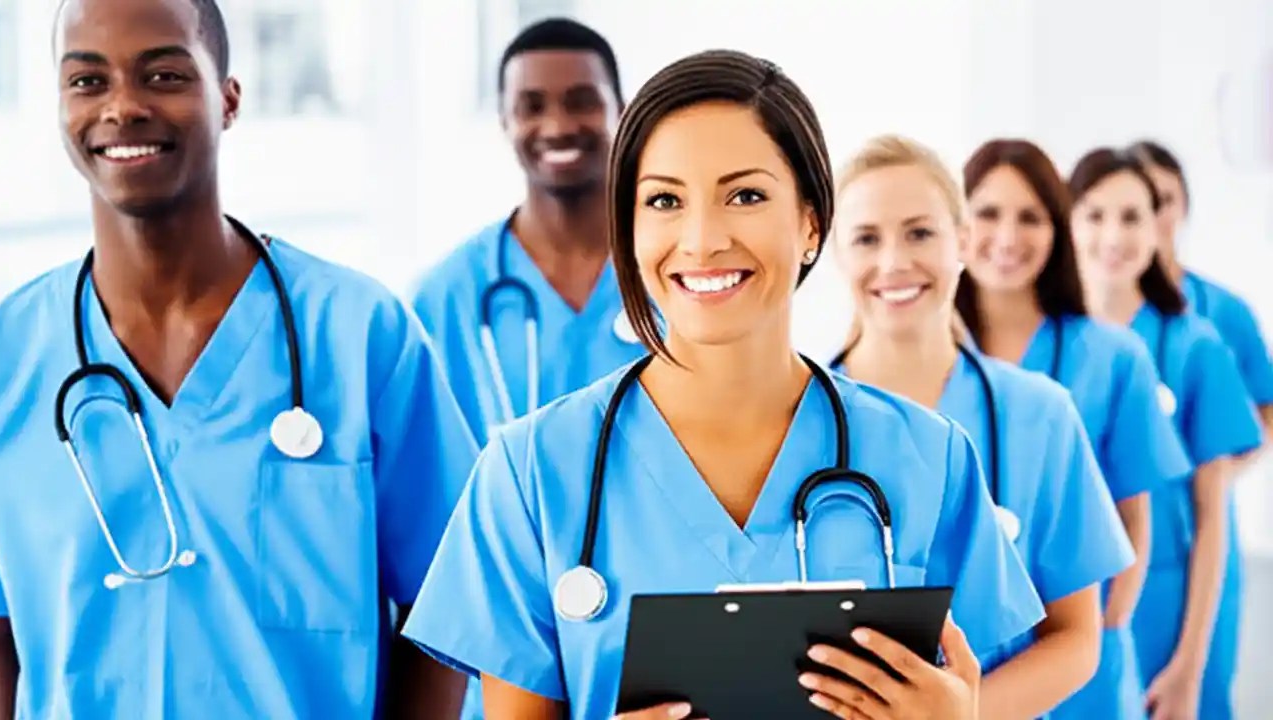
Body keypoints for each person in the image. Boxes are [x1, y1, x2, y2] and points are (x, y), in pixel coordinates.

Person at [401, 49, 1045, 720]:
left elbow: (992, 679)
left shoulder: (928, 458)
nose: (702, 239)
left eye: (745, 195)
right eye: (664, 201)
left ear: (810, 222)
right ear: (629, 227)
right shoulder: (530, 471)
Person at [0, 1, 476, 718]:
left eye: (162, 74)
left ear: (228, 98)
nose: (123, 106)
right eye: (88, 82)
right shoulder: (9, 354)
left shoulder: (359, 334)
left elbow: (449, 604)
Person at [828, 135, 1133, 719]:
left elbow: (1076, 638)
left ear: (963, 241)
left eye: (920, 232)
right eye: (867, 237)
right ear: (834, 253)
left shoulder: (1040, 414)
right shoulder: (793, 419)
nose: (894, 261)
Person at [956, 139, 1193, 719]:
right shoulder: (924, 357)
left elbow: (1133, 513)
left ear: (1058, 230)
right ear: (956, 224)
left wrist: (1108, 625)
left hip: (1078, 646)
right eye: (988, 212)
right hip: (959, 652)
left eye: (1031, 217)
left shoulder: (1114, 356)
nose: (1008, 237)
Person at [1068, 148, 1263, 720]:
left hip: (1171, 593)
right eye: (1095, 214)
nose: (1113, 235)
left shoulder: (1196, 344)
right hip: (1068, 594)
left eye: (1132, 217)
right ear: (1069, 220)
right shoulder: (1046, 343)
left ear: (1159, 225)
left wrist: (1189, 667)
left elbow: (1210, 518)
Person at [409, 18, 644, 448]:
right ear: (504, 121)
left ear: (622, 112)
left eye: (582, 102)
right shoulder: (445, 297)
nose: (558, 126)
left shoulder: (676, 271)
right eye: (531, 107)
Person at [1129, 140, 1273, 443]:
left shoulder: (1223, 310)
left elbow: (1267, 406)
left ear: (1185, 206)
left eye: (1165, 200)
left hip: (1197, 490)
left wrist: (1223, 470)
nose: (1155, 215)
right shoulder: (1091, 313)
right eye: (1143, 202)